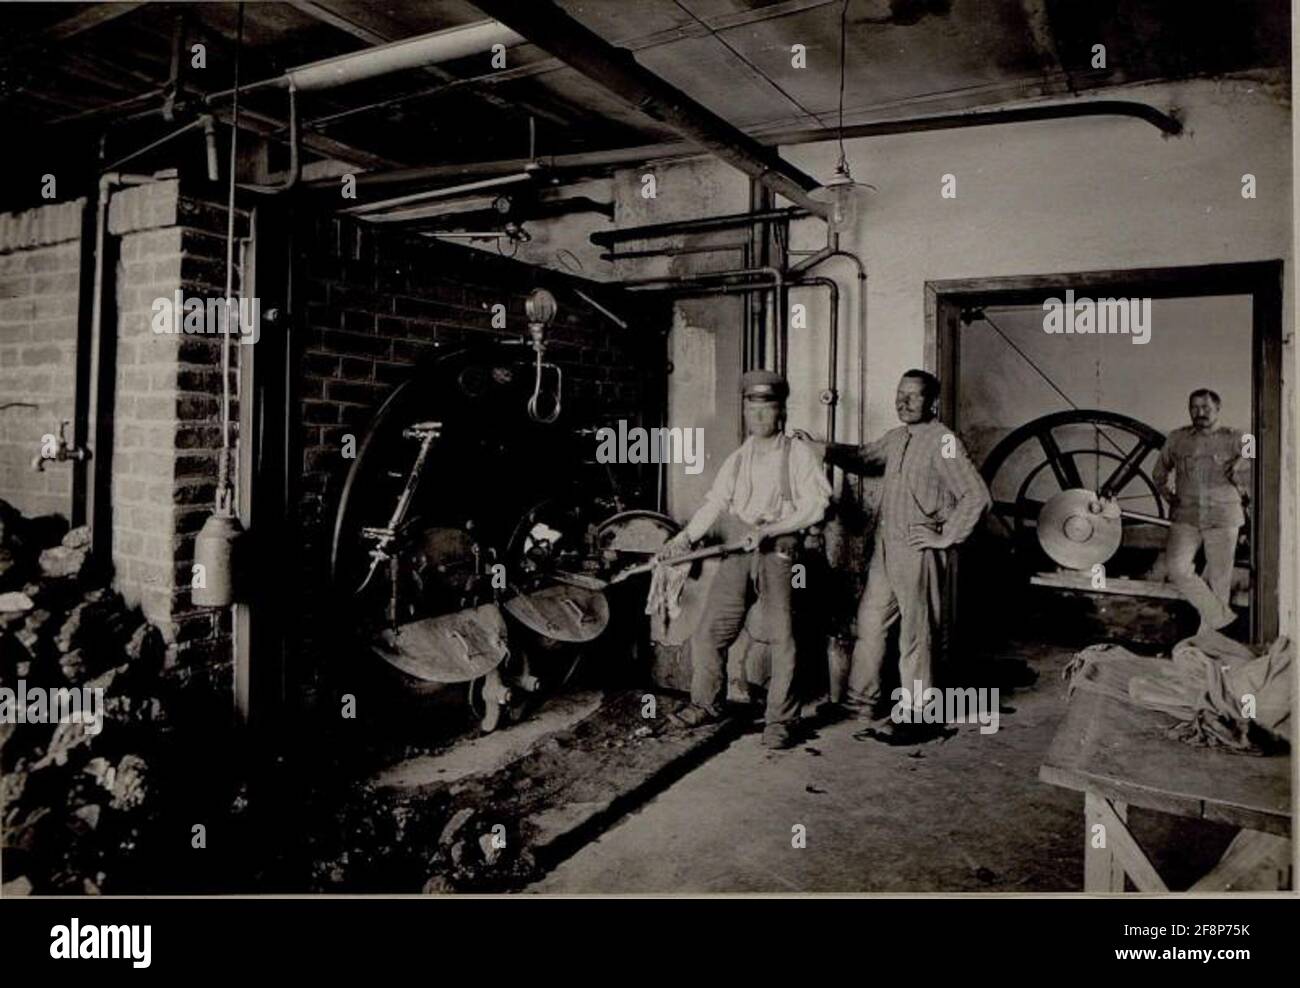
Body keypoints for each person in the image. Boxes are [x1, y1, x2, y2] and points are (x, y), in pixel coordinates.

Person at [795, 369, 990, 743]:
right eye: (899, 394)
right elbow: (865, 457)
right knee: (870, 623)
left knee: (917, 635)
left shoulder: (942, 440)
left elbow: (976, 496)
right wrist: (822, 448)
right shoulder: (899, 437)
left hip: (918, 550)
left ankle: (920, 716)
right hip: (886, 548)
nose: (903, 402)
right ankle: (859, 702)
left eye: (913, 396)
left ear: (931, 402)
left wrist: (945, 535)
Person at [658, 369, 831, 749]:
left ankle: (781, 720)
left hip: (781, 549)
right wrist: (684, 538)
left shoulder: (799, 454)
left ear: (781, 410)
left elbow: (816, 506)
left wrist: (770, 530)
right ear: (744, 411)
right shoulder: (738, 459)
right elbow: (715, 504)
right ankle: (707, 703)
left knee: (784, 637)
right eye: (751, 408)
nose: (758, 416)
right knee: (709, 631)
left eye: (766, 408)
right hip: (739, 547)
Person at [1152, 388, 1249, 632]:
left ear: (1218, 409)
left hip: (1223, 517)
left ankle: (1209, 641)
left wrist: (1242, 463)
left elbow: (1260, 456)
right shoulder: (1177, 438)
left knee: (1219, 581)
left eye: (1206, 408)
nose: (1200, 412)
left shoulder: (1236, 437)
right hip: (1186, 516)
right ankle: (1221, 618)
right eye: (1194, 407)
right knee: (1177, 569)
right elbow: (1159, 473)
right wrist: (1168, 496)